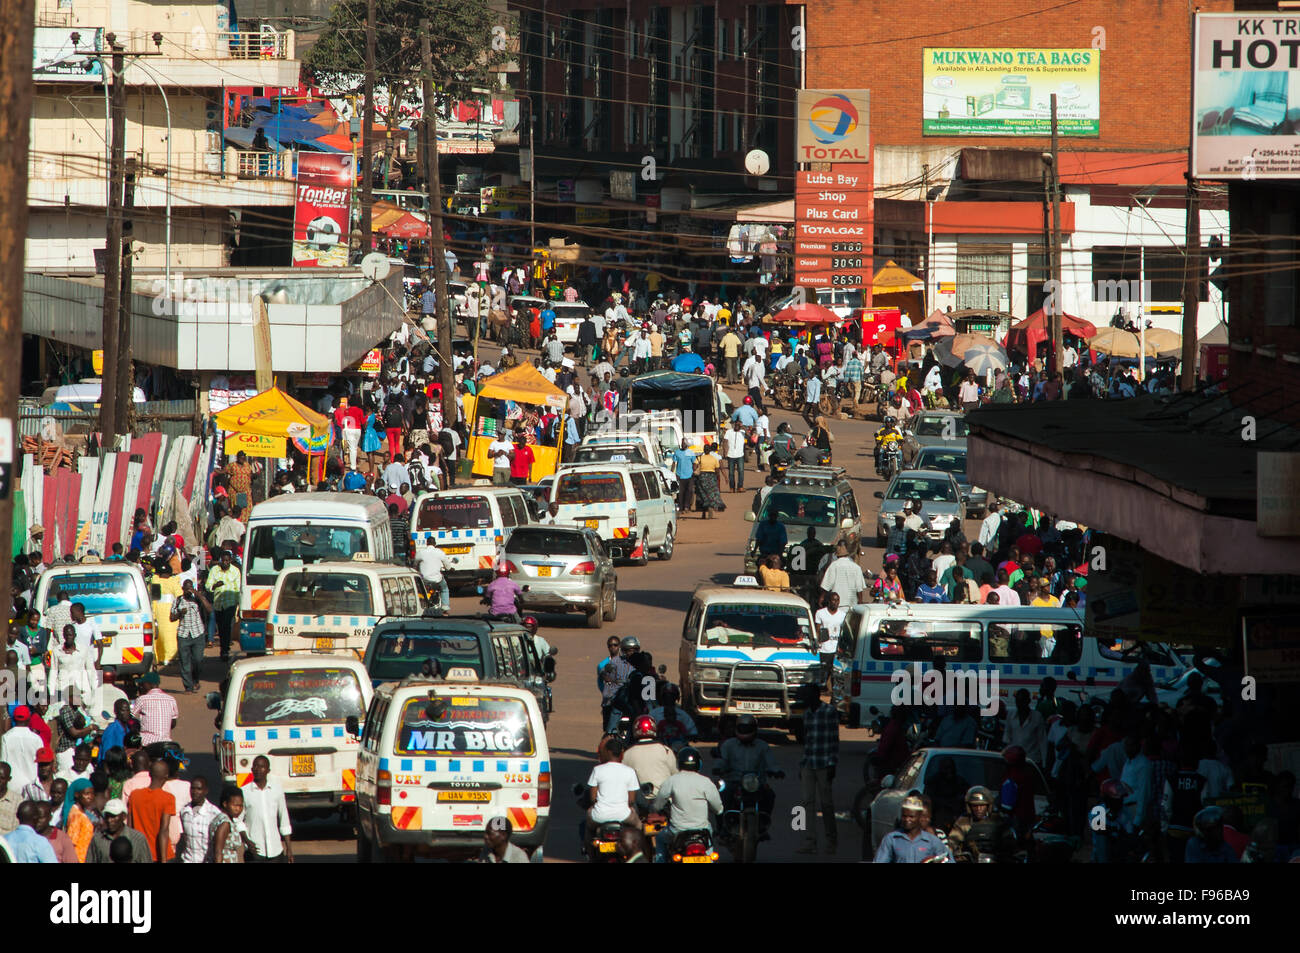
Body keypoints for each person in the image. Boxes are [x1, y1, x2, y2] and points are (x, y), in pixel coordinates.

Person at [652, 746, 723, 861]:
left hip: (677, 831)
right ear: (699, 763)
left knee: (660, 838)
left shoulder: (672, 781)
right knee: (709, 849)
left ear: (679, 763)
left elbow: (658, 803)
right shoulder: (706, 782)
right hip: (702, 831)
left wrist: (655, 809)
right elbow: (718, 808)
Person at [795, 683, 839, 855]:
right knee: (807, 803)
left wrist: (832, 764)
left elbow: (834, 741)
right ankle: (810, 841)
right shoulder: (807, 714)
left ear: (815, 696)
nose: (804, 699)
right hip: (809, 763)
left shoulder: (829, 712)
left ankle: (831, 840)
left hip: (824, 763)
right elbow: (808, 741)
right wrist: (802, 764)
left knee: (826, 804)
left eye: (806, 696)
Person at [717, 714, 776, 819]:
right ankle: (722, 826)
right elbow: (722, 760)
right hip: (734, 781)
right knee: (722, 794)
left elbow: (771, 761)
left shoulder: (762, 746)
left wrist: (776, 771)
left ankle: (764, 821)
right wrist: (718, 768)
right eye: (742, 728)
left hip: (756, 783)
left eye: (748, 728)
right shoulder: (729, 745)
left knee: (770, 795)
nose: (745, 730)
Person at [241, 755, 293, 862]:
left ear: (268, 770)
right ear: (251, 769)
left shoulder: (277, 790)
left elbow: (284, 819)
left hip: (276, 851)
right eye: (255, 766)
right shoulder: (244, 792)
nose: (258, 770)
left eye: (262, 767)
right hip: (255, 852)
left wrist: (289, 848)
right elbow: (238, 820)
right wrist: (247, 841)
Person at [585, 738, 639, 838]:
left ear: (607, 752)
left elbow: (593, 798)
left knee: (587, 827)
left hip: (600, 816)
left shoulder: (597, 770)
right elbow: (631, 800)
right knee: (639, 827)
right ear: (622, 753)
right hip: (624, 815)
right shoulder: (630, 771)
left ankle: (588, 849)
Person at [874, 795, 951, 863]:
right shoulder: (892, 839)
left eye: (911, 817)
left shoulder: (932, 841)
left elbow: (948, 859)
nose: (907, 819)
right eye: (904, 816)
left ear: (920, 817)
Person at [127, 759, 175, 862]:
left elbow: (129, 828)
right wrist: (163, 860)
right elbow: (164, 830)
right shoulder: (168, 798)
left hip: (140, 853)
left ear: (149, 774)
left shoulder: (134, 795)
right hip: (160, 854)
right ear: (166, 777)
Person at [622, 716, 678, 800]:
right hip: (664, 800)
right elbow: (675, 774)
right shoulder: (665, 751)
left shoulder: (627, 753)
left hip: (639, 801)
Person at [170, 579, 209, 694]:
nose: (188, 590)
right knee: (184, 661)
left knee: (198, 659)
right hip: (183, 634)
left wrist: (198, 595)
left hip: (198, 633)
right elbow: (171, 618)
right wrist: (179, 613)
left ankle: (196, 679)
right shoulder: (178, 601)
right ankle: (188, 686)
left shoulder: (197, 599)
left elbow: (210, 610)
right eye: (186, 588)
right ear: (182, 589)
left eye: (190, 588)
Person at [86, 798, 151, 863]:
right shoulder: (97, 839)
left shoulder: (138, 839)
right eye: (107, 816)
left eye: (113, 816)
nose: (109, 820)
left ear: (124, 816)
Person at [177, 776, 222, 864]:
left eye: (199, 789)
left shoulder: (214, 814)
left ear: (206, 791)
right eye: (192, 788)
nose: (195, 792)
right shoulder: (184, 811)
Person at [206, 549, 241, 662]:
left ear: (230, 560)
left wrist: (238, 604)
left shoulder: (235, 571)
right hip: (218, 604)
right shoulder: (214, 570)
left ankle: (225, 650)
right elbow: (208, 585)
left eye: (227, 560)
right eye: (223, 560)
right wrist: (215, 585)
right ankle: (224, 648)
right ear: (221, 560)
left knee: (227, 626)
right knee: (221, 627)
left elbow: (238, 588)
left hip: (230, 604)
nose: (225, 562)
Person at [1, 706, 43, 791]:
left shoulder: (6, 737)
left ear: (14, 719)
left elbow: (3, 763)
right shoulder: (36, 739)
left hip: (12, 784)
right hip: (32, 784)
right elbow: (41, 764)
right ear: (28, 719)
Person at [131, 672, 178, 746]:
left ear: (149, 684)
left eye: (142, 684)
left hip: (147, 742)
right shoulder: (171, 699)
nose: (140, 687)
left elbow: (130, 716)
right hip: (166, 742)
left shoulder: (142, 699)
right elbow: (173, 723)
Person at [813, 592, 846, 690]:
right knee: (823, 674)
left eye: (837, 600)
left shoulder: (843, 615)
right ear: (829, 601)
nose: (835, 602)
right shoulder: (820, 613)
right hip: (824, 649)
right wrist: (817, 644)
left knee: (835, 675)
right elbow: (817, 630)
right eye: (833, 600)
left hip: (836, 649)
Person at [208, 785, 248, 863]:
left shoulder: (221, 818)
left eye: (241, 806)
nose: (238, 809)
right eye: (235, 805)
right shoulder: (225, 823)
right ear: (225, 804)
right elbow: (218, 852)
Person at [819, 542, 866, 608]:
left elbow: (827, 584)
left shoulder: (834, 565)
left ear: (837, 554)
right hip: (852, 605)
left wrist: (822, 597)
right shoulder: (856, 567)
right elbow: (859, 588)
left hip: (836, 604)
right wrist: (860, 601)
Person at [416, 541, 451, 610]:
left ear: (427, 543)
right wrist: (449, 568)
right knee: (444, 589)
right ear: (435, 544)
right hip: (437, 580)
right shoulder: (439, 552)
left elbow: (415, 563)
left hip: (424, 579)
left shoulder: (421, 552)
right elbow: (447, 565)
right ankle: (445, 607)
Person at [694, 443, 725, 518]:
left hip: (702, 478)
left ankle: (704, 511)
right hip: (711, 477)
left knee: (703, 495)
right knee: (711, 494)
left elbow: (694, 467)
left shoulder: (700, 458)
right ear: (710, 450)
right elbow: (717, 471)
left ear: (704, 450)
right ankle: (711, 507)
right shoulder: (714, 459)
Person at [722, 419, 747, 492]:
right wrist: (725, 452)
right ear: (734, 424)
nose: (736, 426)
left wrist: (743, 427)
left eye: (738, 425)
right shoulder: (729, 432)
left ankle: (740, 487)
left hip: (740, 455)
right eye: (736, 425)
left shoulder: (743, 432)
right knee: (731, 473)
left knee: (741, 471)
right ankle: (732, 488)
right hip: (730, 455)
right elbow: (725, 442)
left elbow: (750, 435)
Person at [672, 439, 696, 513]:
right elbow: (674, 463)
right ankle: (681, 507)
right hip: (680, 475)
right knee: (680, 492)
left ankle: (686, 507)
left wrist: (694, 470)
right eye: (682, 443)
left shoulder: (691, 453)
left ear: (687, 444)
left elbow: (694, 463)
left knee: (689, 491)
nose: (683, 445)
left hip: (689, 475)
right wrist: (672, 472)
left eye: (684, 443)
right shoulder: (677, 452)